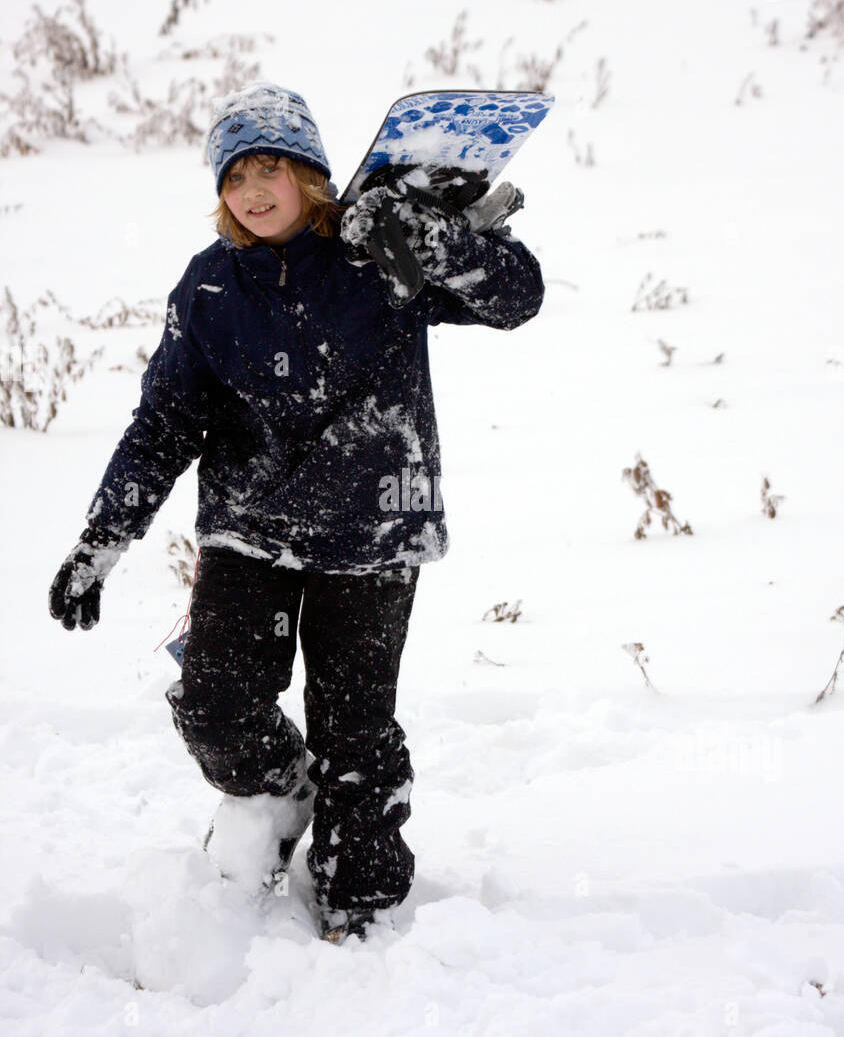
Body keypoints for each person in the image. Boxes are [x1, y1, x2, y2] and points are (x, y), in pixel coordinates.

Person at [48, 82, 545, 942]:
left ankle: (362, 904)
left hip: (375, 528)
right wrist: (101, 540)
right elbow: (163, 424)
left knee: (357, 730)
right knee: (213, 699)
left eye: (270, 166)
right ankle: (282, 791)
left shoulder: (375, 252)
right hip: (251, 529)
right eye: (234, 175)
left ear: (310, 174)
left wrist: (439, 241)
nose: (251, 189)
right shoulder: (209, 286)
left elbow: (519, 298)